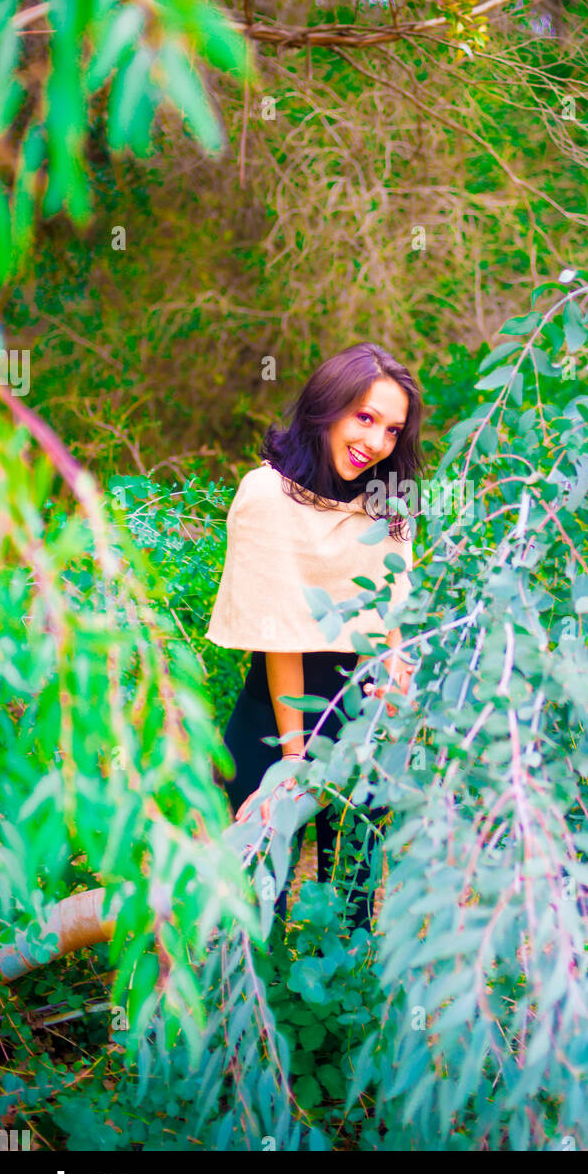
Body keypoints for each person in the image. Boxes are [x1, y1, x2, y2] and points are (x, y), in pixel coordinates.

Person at [205, 343, 422, 934]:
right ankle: (249, 1015)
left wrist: (395, 695)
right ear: (328, 408)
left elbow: (392, 615)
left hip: (360, 717)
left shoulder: (388, 505)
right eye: (365, 418)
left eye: (392, 429)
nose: (376, 442)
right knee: (260, 906)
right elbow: (281, 635)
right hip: (277, 721)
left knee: (353, 901)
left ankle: (344, 1019)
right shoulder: (267, 494)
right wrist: (293, 764)